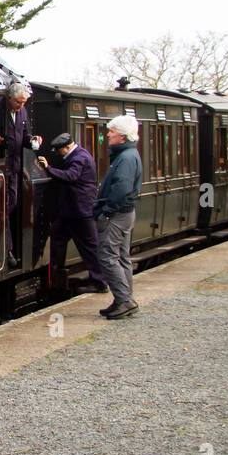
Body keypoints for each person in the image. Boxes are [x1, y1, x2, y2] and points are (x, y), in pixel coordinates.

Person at [36, 132, 107, 294]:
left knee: (89, 247)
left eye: (59, 151)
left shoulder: (78, 158)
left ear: (67, 147)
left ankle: (99, 282)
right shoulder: (80, 154)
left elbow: (71, 176)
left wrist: (48, 168)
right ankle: (56, 278)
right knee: (57, 237)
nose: (59, 154)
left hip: (81, 212)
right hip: (70, 211)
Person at [93, 115, 143, 320]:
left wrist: (107, 211)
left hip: (117, 214)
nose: (108, 134)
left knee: (107, 255)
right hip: (125, 212)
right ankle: (123, 298)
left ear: (122, 136)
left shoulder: (126, 158)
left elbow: (122, 187)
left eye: (112, 131)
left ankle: (124, 300)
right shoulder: (129, 155)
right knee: (122, 257)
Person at [0, 79, 43, 267]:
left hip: (14, 167)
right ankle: (7, 250)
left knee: (11, 204)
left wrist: (33, 140)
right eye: (18, 102)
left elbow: (25, 135)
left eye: (24, 103)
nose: (21, 106)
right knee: (4, 208)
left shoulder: (21, 111)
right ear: (9, 98)